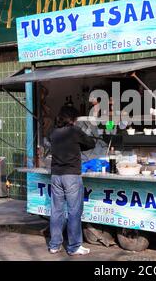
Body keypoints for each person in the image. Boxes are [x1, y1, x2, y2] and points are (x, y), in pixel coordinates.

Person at [48, 106, 96, 256]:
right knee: (74, 211)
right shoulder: (74, 131)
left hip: (56, 176)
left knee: (56, 211)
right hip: (71, 177)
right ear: (72, 119)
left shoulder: (54, 133)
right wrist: (79, 143)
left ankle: (54, 245)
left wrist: (76, 146)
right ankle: (74, 246)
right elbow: (91, 143)